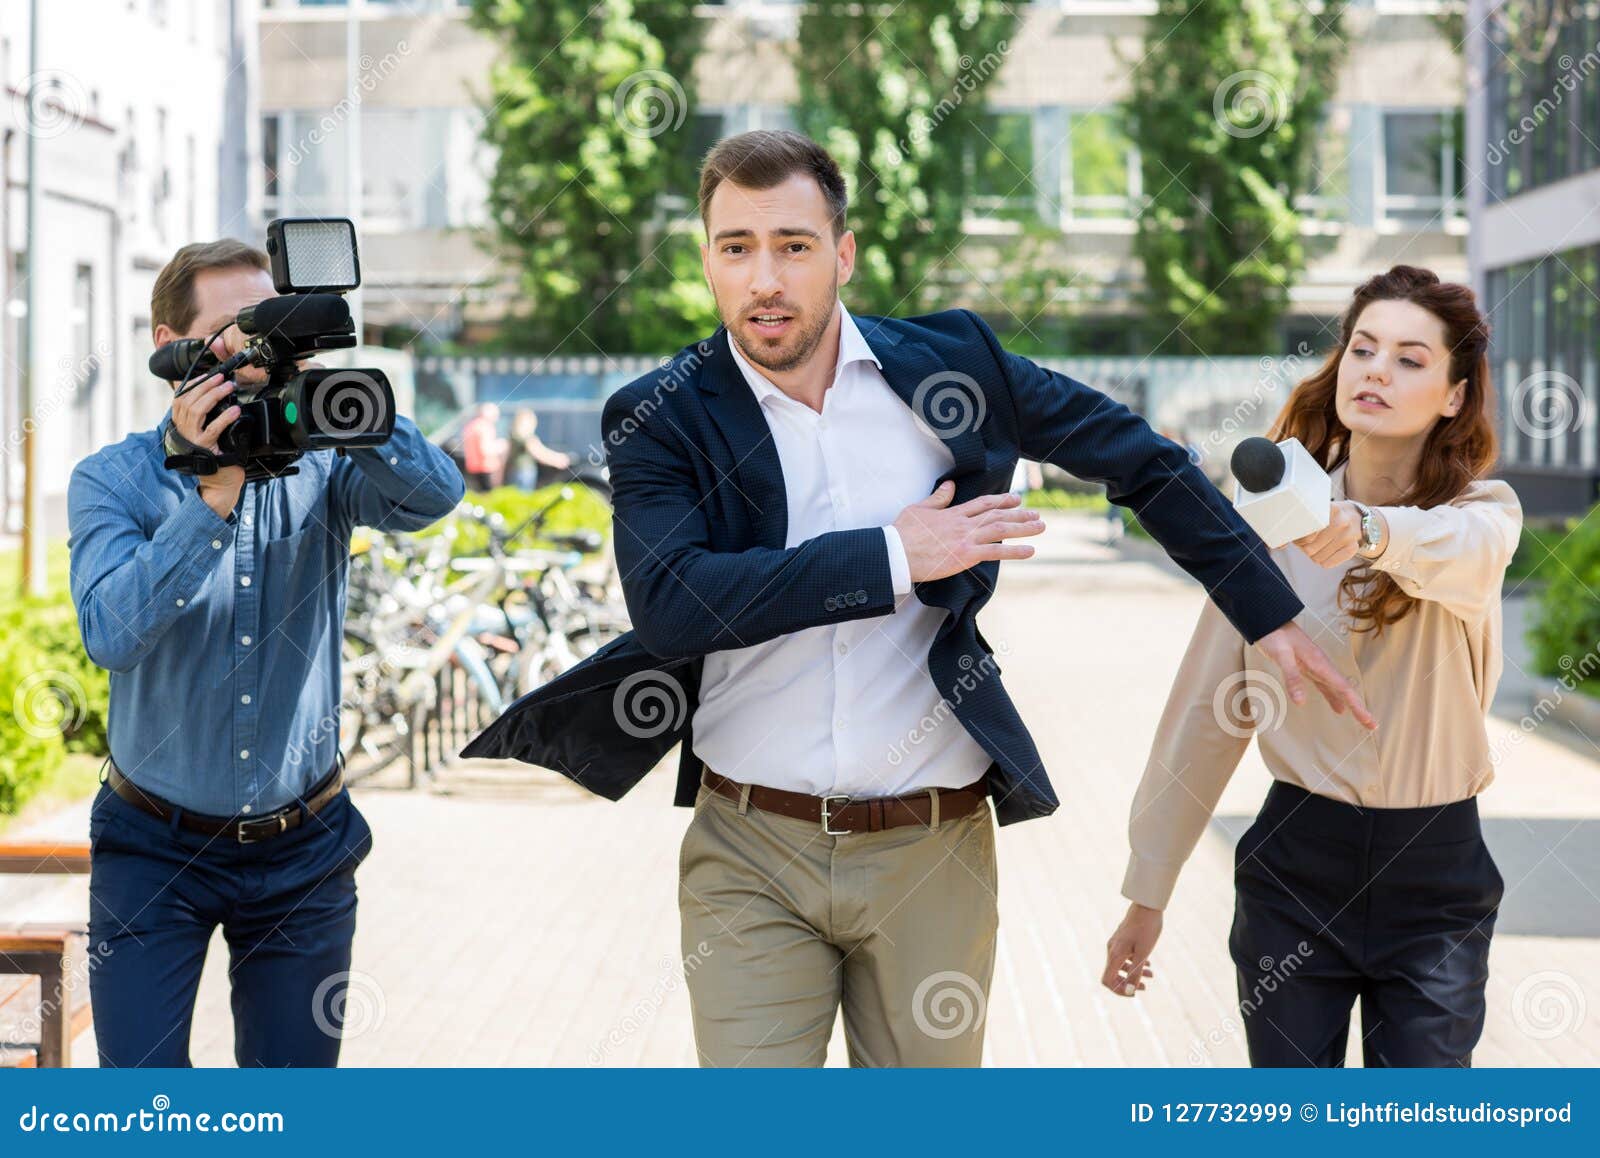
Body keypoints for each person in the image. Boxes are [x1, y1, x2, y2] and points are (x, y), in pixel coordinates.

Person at [464, 129, 1372, 1067]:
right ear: (707, 261)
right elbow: (674, 603)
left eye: (794, 246)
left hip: (930, 848)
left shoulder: (954, 368)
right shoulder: (664, 415)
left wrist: (1267, 611)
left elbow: (1139, 459)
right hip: (750, 850)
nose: (764, 277)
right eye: (736, 248)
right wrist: (896, 555)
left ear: (844, 255)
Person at [1102, 265, 1521, 1068]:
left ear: (1454, 395)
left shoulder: (1481, 516)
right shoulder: (1267, 537)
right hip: (1297, 868)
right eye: (1363, 348)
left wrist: (1367, 530)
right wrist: (1146, 889)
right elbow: (1204, 715)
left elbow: (1464, 554)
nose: (1375, 370)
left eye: (1409, 358)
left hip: (1436, 878)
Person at [66, 239, 465, 1067]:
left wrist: (343, 401)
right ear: (167, 344)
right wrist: (210, 498)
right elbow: (111, 634)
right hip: (154, 847)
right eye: (234, 333)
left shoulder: (322, 460)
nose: (255, 356)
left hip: (304, 849)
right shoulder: (113, 479)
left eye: (270, 330)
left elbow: (435, 494)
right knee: (144, 1109)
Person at [507, 407, 572, 491]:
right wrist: (557, 460)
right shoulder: (527, 437)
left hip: (515, 471)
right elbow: (539, 453)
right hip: (524, 472)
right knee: (523, 499)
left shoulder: (514, 435)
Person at [461, 402, 506, 491]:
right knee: (488, 497)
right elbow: (485, 450)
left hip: (472, 467)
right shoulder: (485, 427)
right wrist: (501, 445)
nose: (497, 417)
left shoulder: (471, 426)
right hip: (486, 467)